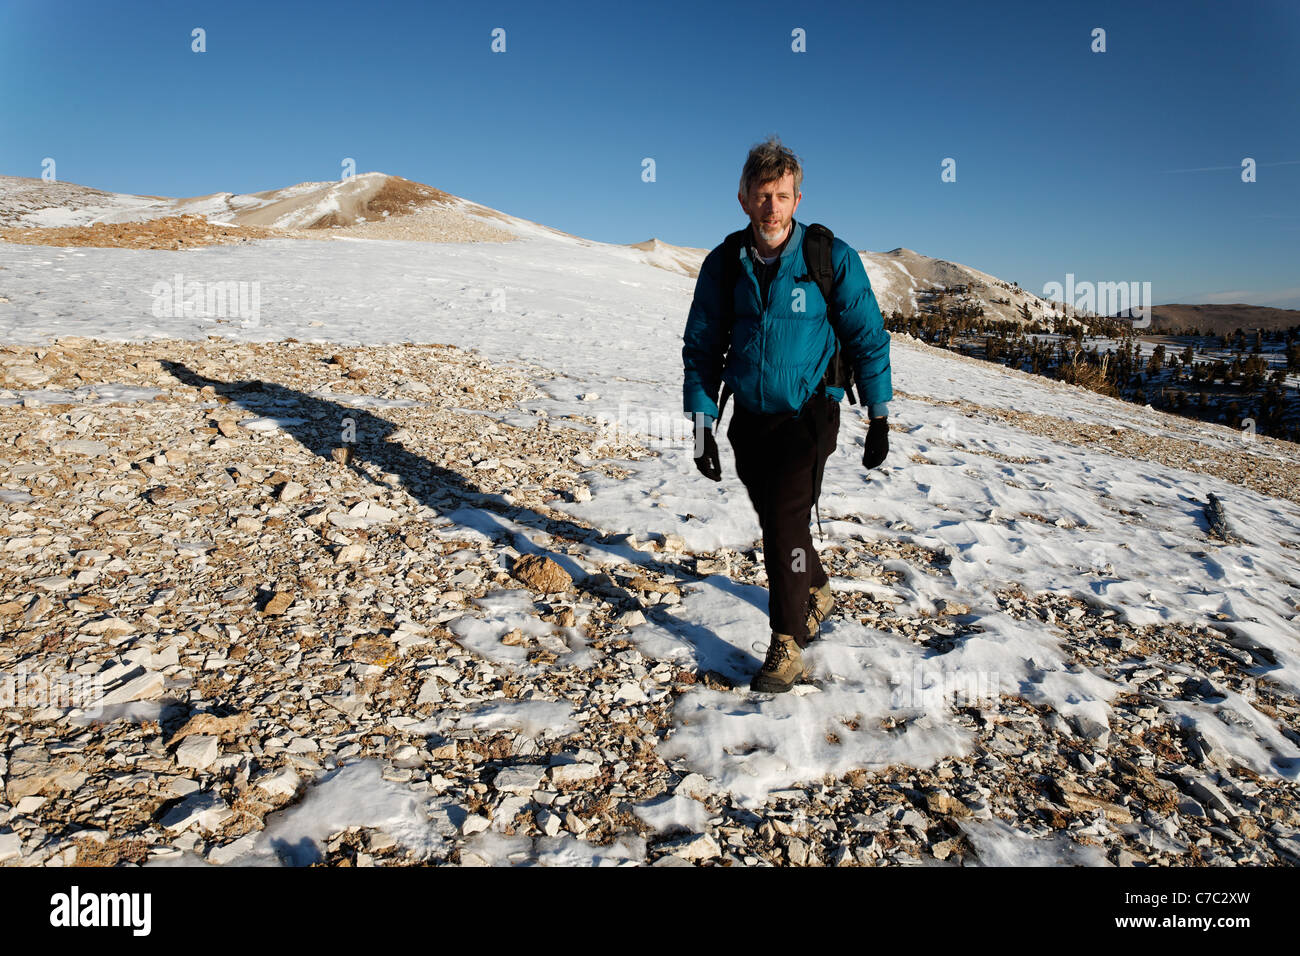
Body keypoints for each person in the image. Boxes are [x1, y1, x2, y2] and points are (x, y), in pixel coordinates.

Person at [681, 136, 893, 693]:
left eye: (782, 195)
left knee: (782, 525)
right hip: (749, 417)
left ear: (798, 199)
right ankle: (816, 588)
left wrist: (879, 415)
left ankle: (787, 642)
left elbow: (867, 337)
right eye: (762, 195)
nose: (772, 206)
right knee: (781, 522)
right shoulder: (725, 263)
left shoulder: (829, 259)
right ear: (744, 199)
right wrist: (703, 424)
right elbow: (701, 346)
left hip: (809, 413)